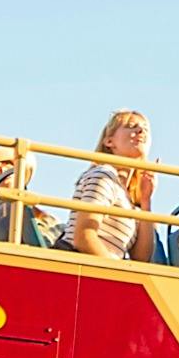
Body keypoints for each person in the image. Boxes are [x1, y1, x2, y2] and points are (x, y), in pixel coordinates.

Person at [67, 110, 156, 263]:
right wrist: (116, 272)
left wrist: (146, 201)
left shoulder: (128, 199)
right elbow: (83, 237)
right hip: (83, 269)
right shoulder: (104, 174)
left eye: (145, 129)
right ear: (109, 142)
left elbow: (141, 257)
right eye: (131, 126)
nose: (140, 131)